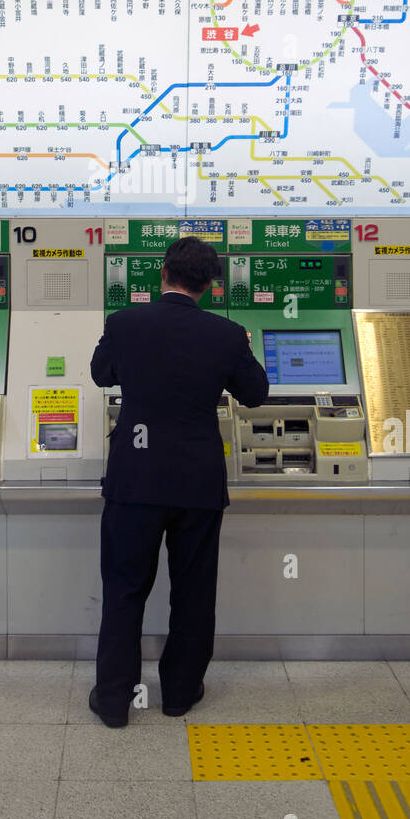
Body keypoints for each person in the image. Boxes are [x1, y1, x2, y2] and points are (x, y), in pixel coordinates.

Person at [88, 234, 269, 727]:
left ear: (162, 272)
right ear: (210, 284)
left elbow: (101, 375)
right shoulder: (228, 334)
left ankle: (113, 701)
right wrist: (244, 349)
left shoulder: (124, 323)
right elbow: (255, 394)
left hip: (135, 481)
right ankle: (179, 694)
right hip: (197, 483)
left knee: (124, 589)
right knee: (192, 591)